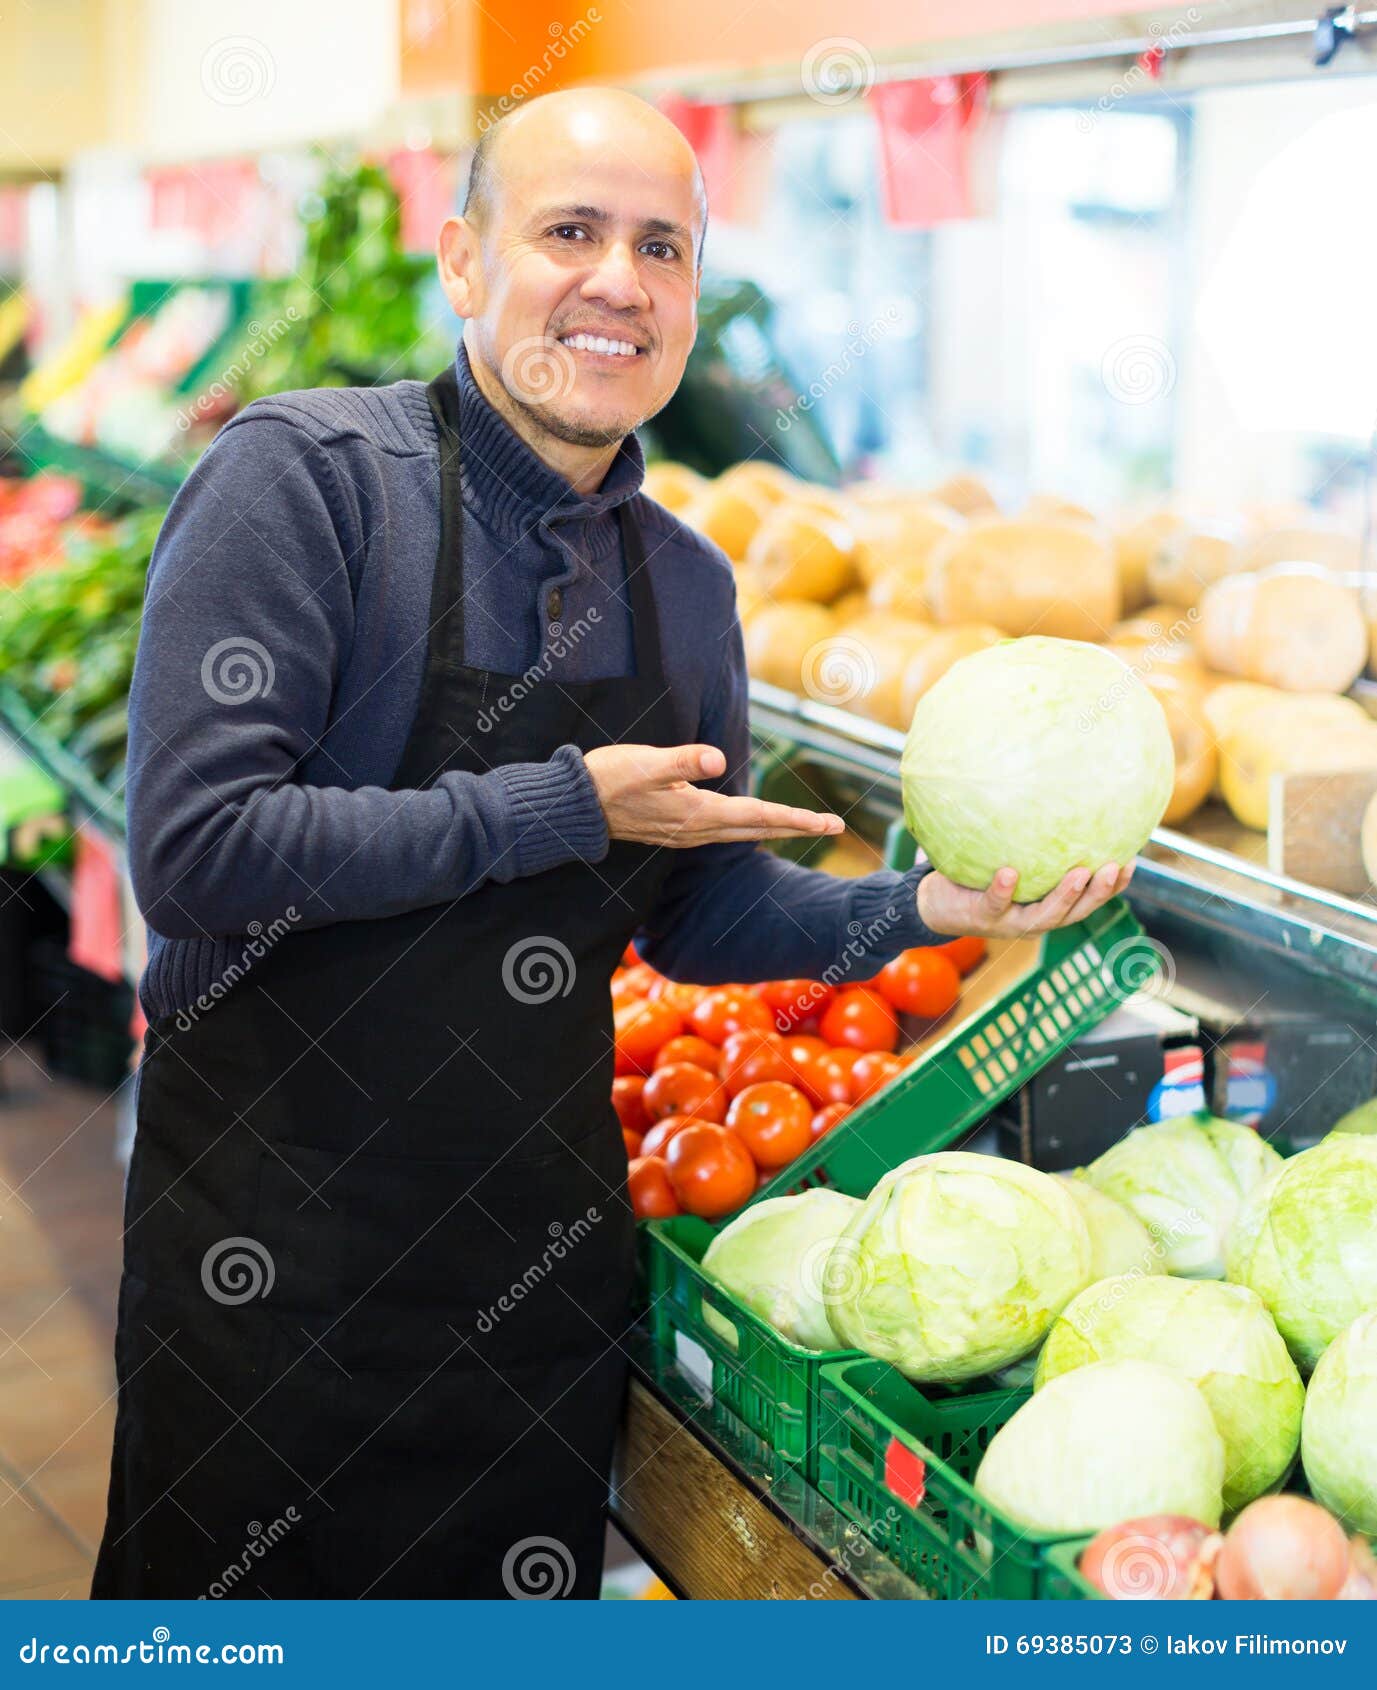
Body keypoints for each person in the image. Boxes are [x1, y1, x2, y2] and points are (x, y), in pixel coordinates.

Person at [93, 87, 1132, 1600]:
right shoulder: (305, 483)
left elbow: (694, 917)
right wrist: (563, 802)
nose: (618, 281)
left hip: (526, 1286)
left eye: (662, 247)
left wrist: (926, 901)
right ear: (461, 260)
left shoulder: (686, 586)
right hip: (276, 1276)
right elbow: (196, 850)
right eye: (568, 231)